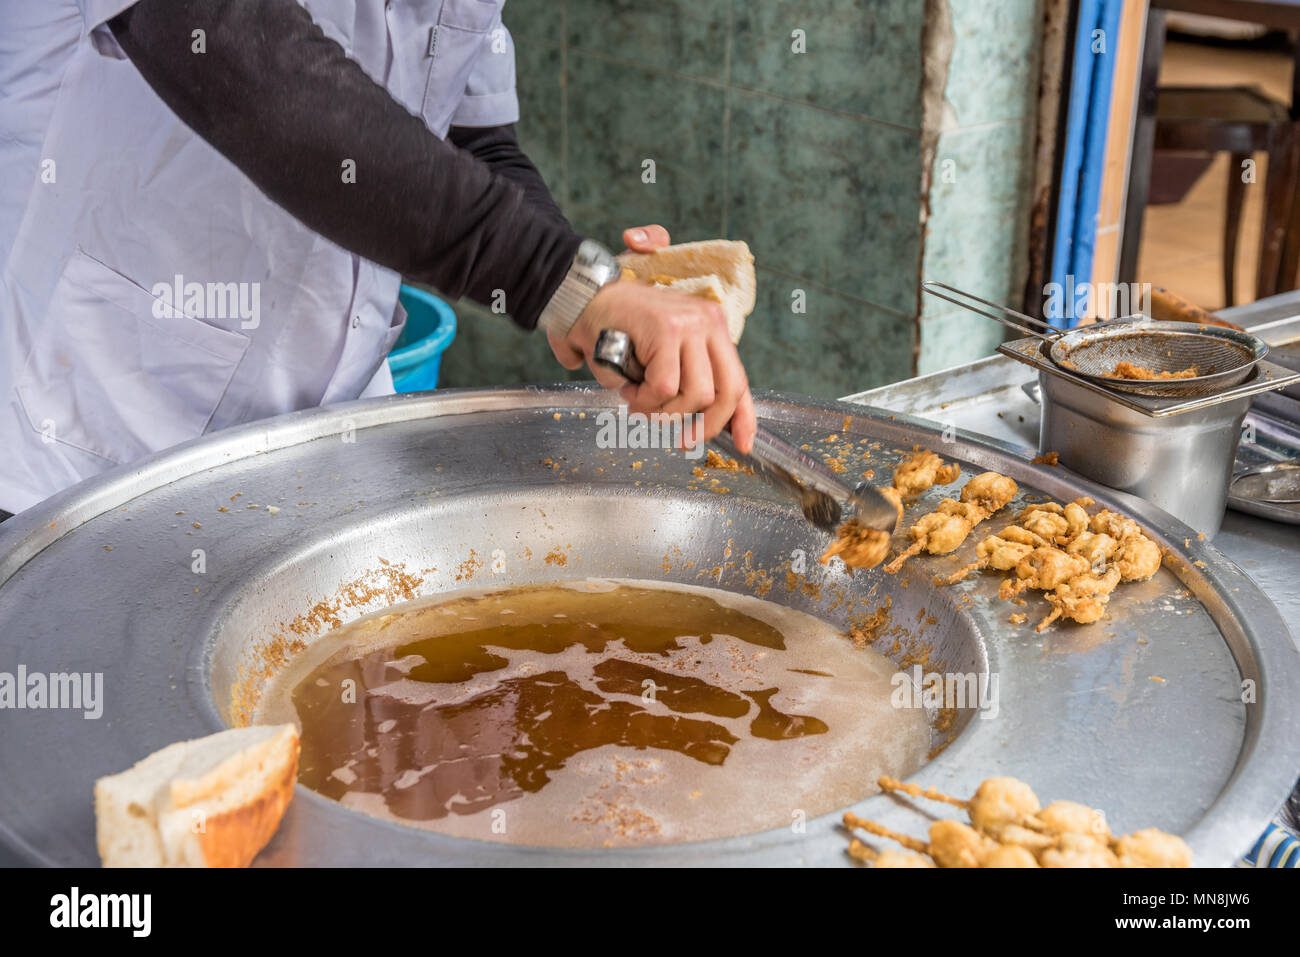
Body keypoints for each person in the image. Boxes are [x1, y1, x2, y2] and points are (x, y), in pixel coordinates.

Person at [0, 0, 756, 519]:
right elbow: (241, 58)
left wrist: (597, 291)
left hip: (336, 425)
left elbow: (472, 139)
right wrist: (560, 281)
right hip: (93, 428)